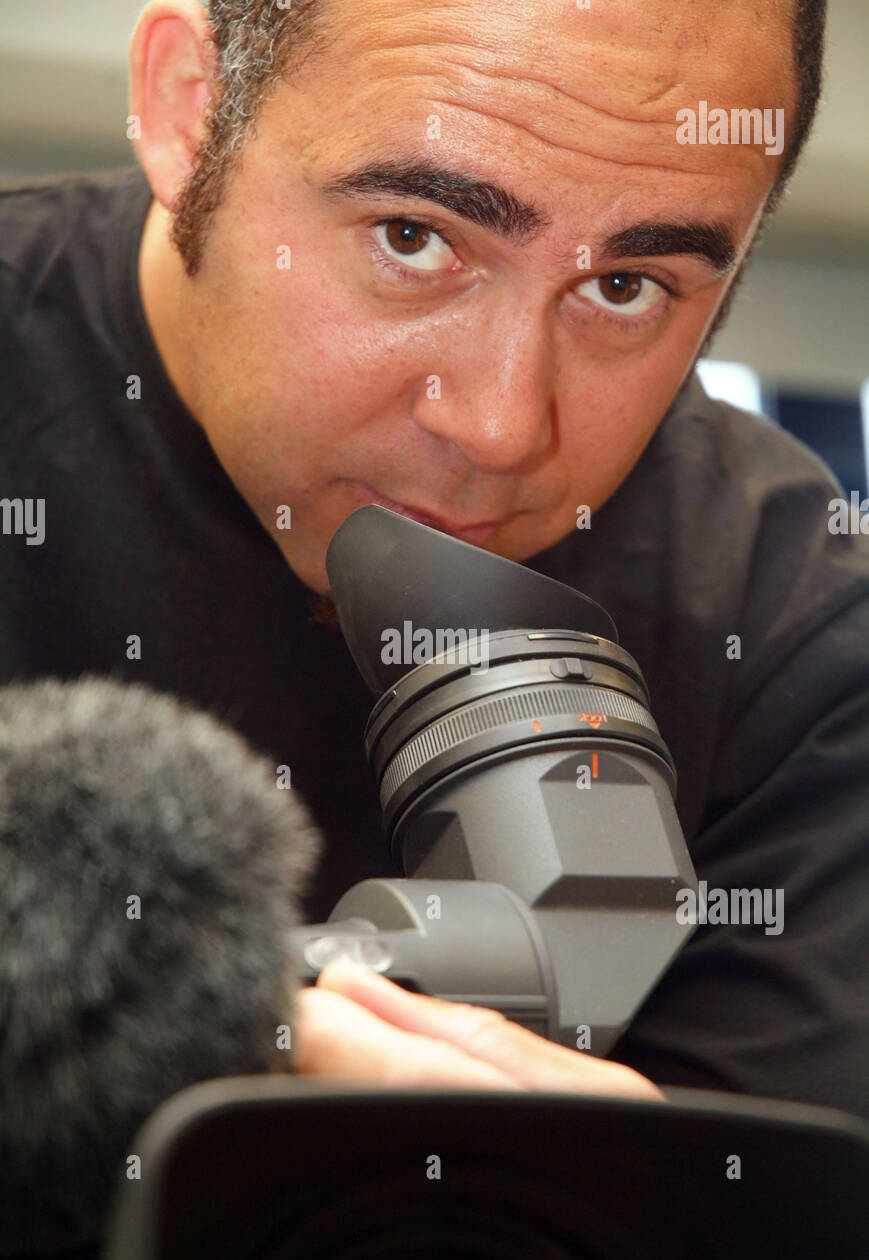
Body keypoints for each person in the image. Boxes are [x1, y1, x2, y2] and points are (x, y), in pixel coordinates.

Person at [2, 0, 867, 1185]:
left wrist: (643, 1221)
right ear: (188, 108)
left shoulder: (785, 624)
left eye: (627, 285)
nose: (504, 428)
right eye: (413, 236)